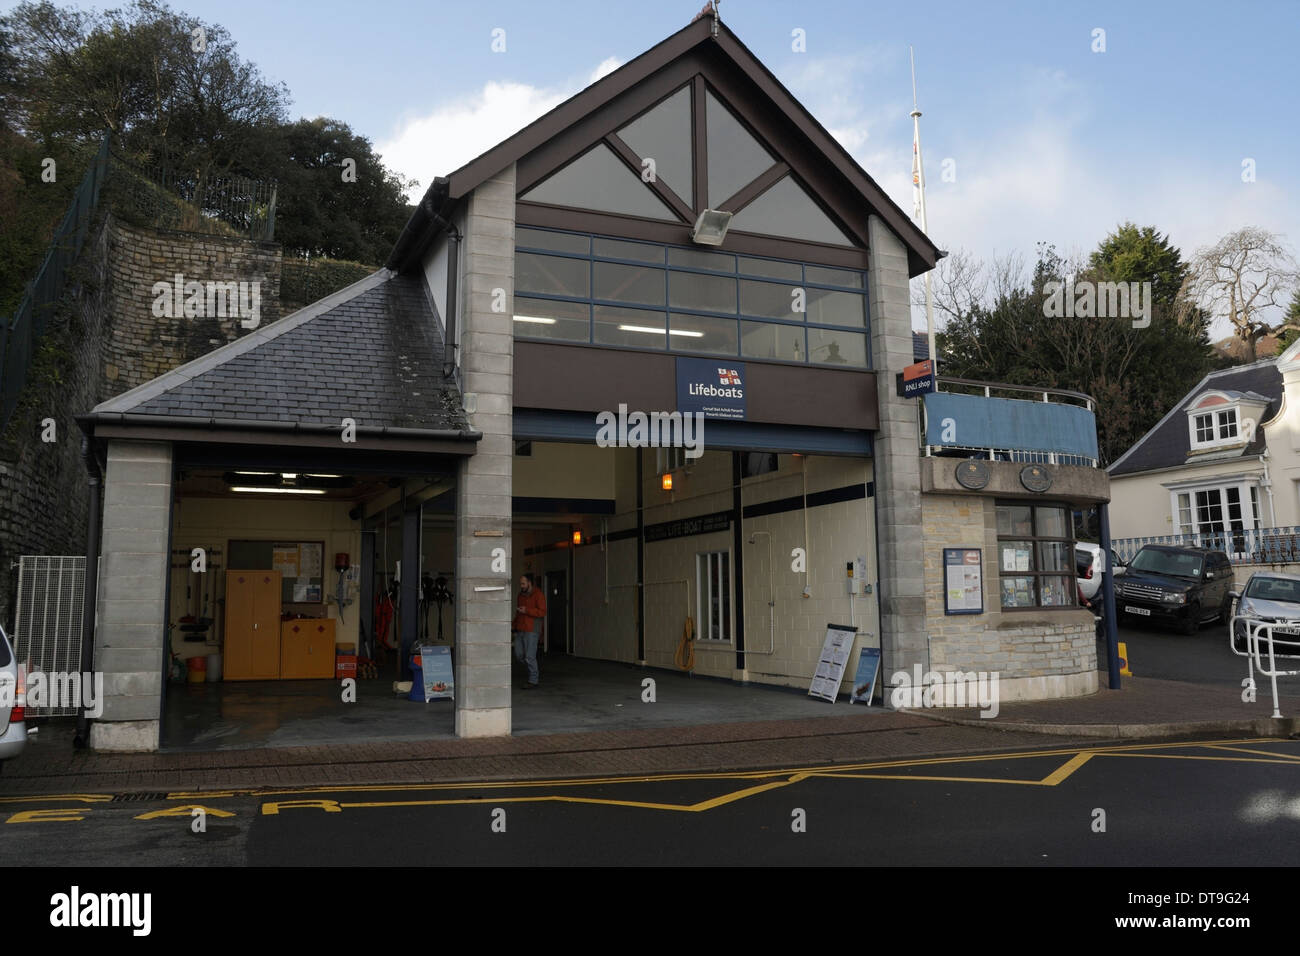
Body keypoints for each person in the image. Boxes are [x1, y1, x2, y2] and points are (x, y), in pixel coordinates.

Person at [512, 574, 547, 689]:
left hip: (532, 629)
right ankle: (533, 670)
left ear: (529, 583)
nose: (521, 586)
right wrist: (513, 626)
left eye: (523, 583)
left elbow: (542, 612)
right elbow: (518, 613)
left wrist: (527, 610)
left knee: (530, 656)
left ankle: (533, 680)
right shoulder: (520, 595)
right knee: (519, 655)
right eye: (520, 583)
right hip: (521, 628)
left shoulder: (538, 595)